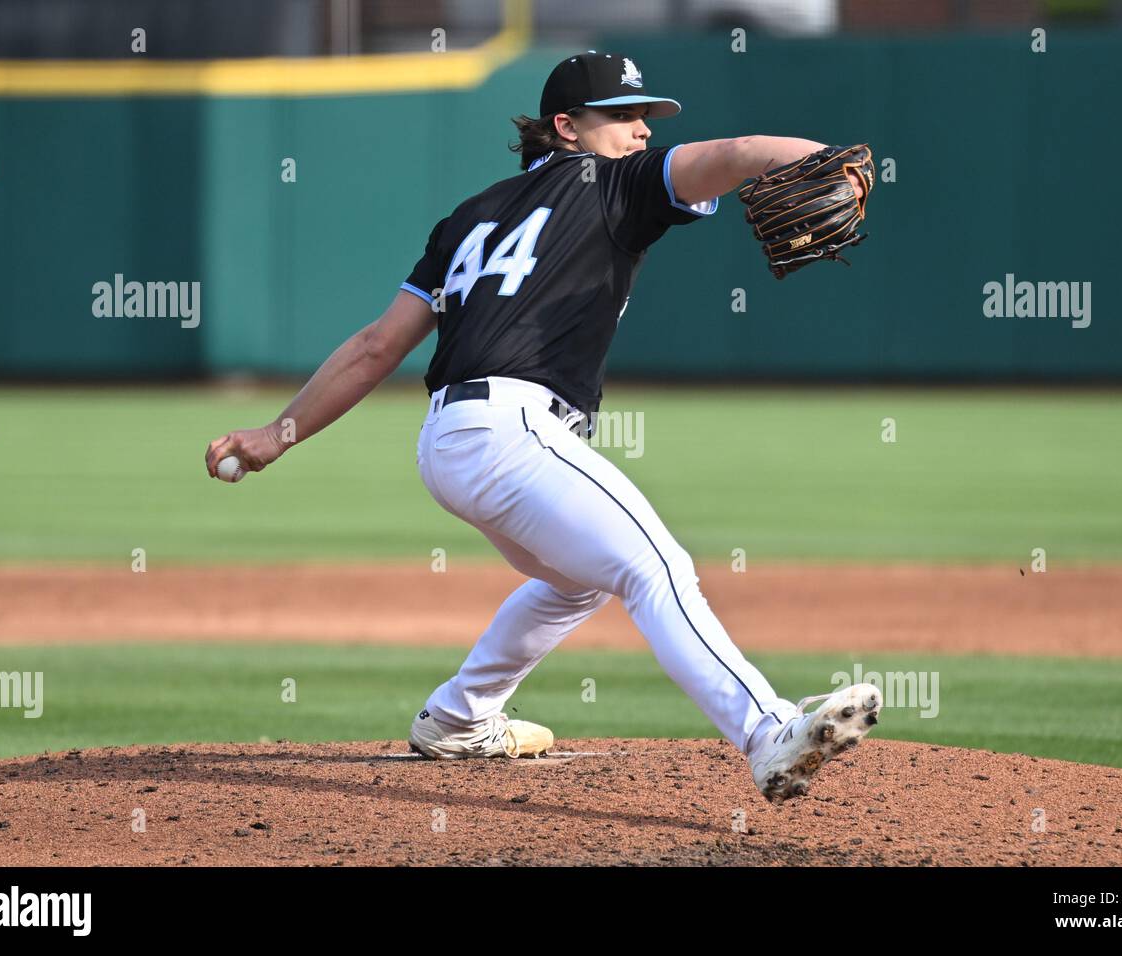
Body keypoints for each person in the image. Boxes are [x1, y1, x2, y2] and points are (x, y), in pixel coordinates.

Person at [204, 52, 881, 803]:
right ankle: (766, 734)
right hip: (511, 431)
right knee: (655, 567)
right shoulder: (617, 183)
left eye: (643, 118)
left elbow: (377, 346)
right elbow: (729, 157)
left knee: (580, 580)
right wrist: (824, 161)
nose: (637, 133)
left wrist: (276, 434)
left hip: (448, 441)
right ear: (567, 127)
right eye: (622, 116)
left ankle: (461, 717)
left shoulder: (466, 217)